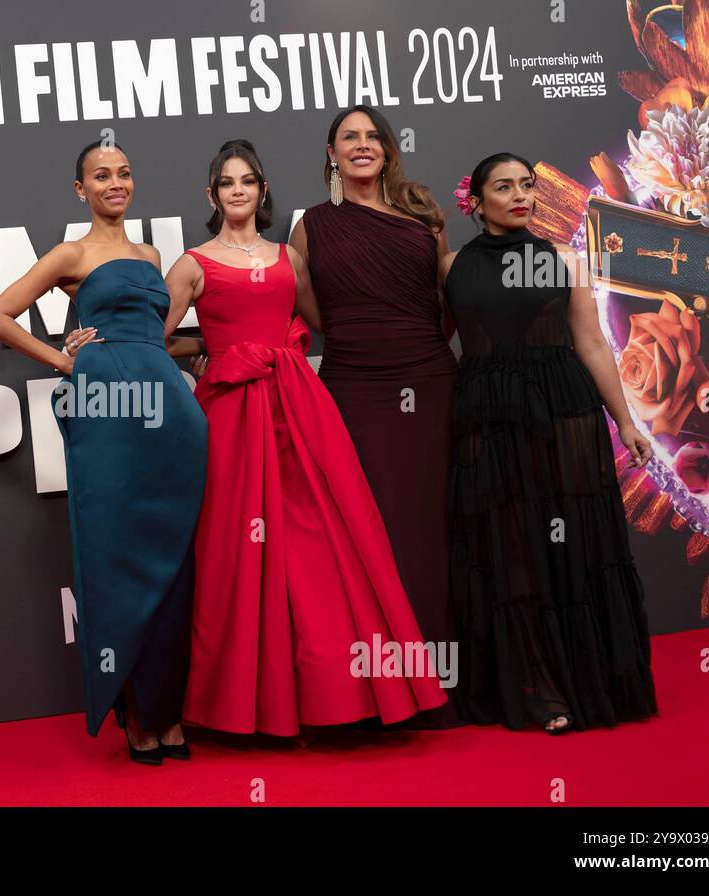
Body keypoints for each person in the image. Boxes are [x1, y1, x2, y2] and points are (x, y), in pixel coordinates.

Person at [67, 140, 448, 736]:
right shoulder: (191, 264)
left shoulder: (287, 259)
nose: (238, 191)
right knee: (235, 551)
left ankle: (336, 699)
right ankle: (239, 703)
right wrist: (211, 352)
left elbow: (325, 326)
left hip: (298, 406)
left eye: (248, 181)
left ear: (263, 191)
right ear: (212, 195)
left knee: (321, 544)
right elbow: (151, 340)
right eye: (226, 183)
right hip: (231, 412)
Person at [0, 141, 207, 764]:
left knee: (173, 558)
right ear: (80, 189)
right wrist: (63, 360)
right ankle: (133, 711)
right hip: (105, 413)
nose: (115, 183)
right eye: (101, 175)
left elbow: (151, 340)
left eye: (124, 173)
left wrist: (217, 344)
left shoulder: (151, 255)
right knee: (116, 553)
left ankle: (167, 712)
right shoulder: (70, 253)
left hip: (171, 417)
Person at [440, 151, 658, 733]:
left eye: (528, 186)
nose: (521, 196)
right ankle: (536, 689)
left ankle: (581, 680)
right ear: (476, 199)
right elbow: (436, 347)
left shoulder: (565, 259)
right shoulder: (451, 265)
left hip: (562, 411)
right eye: (504, 186)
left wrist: (627, 423)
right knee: (509, 551)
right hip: (486, 415)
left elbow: (591, 345)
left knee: (569, 545)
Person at [289, 104, 462, 727]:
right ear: (331, 155)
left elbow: (450, 301)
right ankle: (381, 692)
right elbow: (311, 315)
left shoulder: (423, 217)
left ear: (388, 150)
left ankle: (439, 687)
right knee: (369, 532)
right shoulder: (309, 227)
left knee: (429, 528)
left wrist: (413, 345)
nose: (362, 146)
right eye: (348, 138)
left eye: (372, 137)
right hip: (353, 390)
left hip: (429, 382)